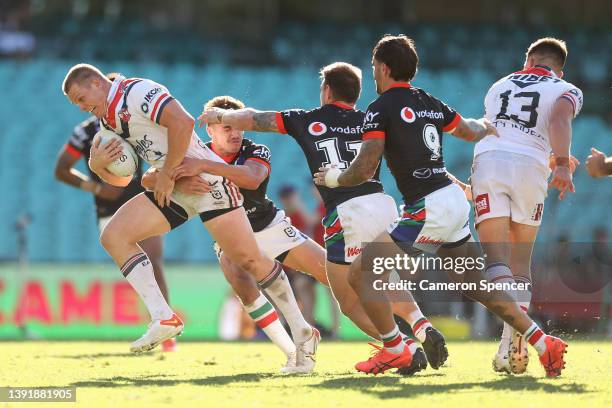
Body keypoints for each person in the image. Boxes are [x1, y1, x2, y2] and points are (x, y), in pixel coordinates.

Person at [314, 35, 568, 377]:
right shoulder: (428, 101)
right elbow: (467, 130)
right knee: (478, 286)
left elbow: (364, 168)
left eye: (375, 68)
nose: (373, 74)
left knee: (361, 273)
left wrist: (332, 178)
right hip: (450, 201)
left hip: (427, 208)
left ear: (385, 68)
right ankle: (543, 344)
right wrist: (487, 126)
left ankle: (395, 350)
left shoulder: (379, 109)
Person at [61, 64, 318, 368]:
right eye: (75, 103)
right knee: (114, 236)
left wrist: (168, 174)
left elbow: (182, 122)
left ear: (95, 82)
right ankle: (163, 317)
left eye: (80, 98)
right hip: (175, 186)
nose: (81, 107)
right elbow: (121, 181)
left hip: (206, 183)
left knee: (250, 261)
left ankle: (302, 331)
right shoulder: (107, 122)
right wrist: (98, 164)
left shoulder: (137, 91)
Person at [198, 62, 447, 374]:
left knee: (349, 297)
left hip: (339, 213)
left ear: (326, 91)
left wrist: (219, 117)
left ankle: (398, 347)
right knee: (378, 278)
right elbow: (415, 156)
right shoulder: (374, 119)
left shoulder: (305, 120)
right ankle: (420, 329)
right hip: (382, 204)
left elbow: (255, 121)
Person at [142, 95, 327, 373]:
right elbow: (147, 179)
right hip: (231, 236)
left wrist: (204, 167)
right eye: (226, 127)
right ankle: (293, 350)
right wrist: (177, 184)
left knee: (334, 275)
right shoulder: (192, 153)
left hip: (269, 227)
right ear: (210, 130)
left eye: (238, 126)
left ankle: (399, 333)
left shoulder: (254, 150)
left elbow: (251, 178)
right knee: (238, 278)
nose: (236, 133)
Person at [470, 37, 583, 374]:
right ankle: (510, 345)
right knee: (521, 263)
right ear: (559, 67)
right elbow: (557, 122)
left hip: (490, 160)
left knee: (496, 260)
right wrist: (560, 162)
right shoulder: (567, 89)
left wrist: (556, 158)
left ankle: (515, 341)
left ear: (530, 58)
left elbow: (503, 128)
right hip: (532, 166)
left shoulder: (500, 84)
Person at [54, 74, 177, 352]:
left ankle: (166, 330)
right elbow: (60, 169)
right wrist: (96, 188)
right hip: (108, 207)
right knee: (135, 263)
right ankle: (160, 321)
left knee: (154, 261)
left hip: (142, 199)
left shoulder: (130, 118)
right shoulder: (86, 132)